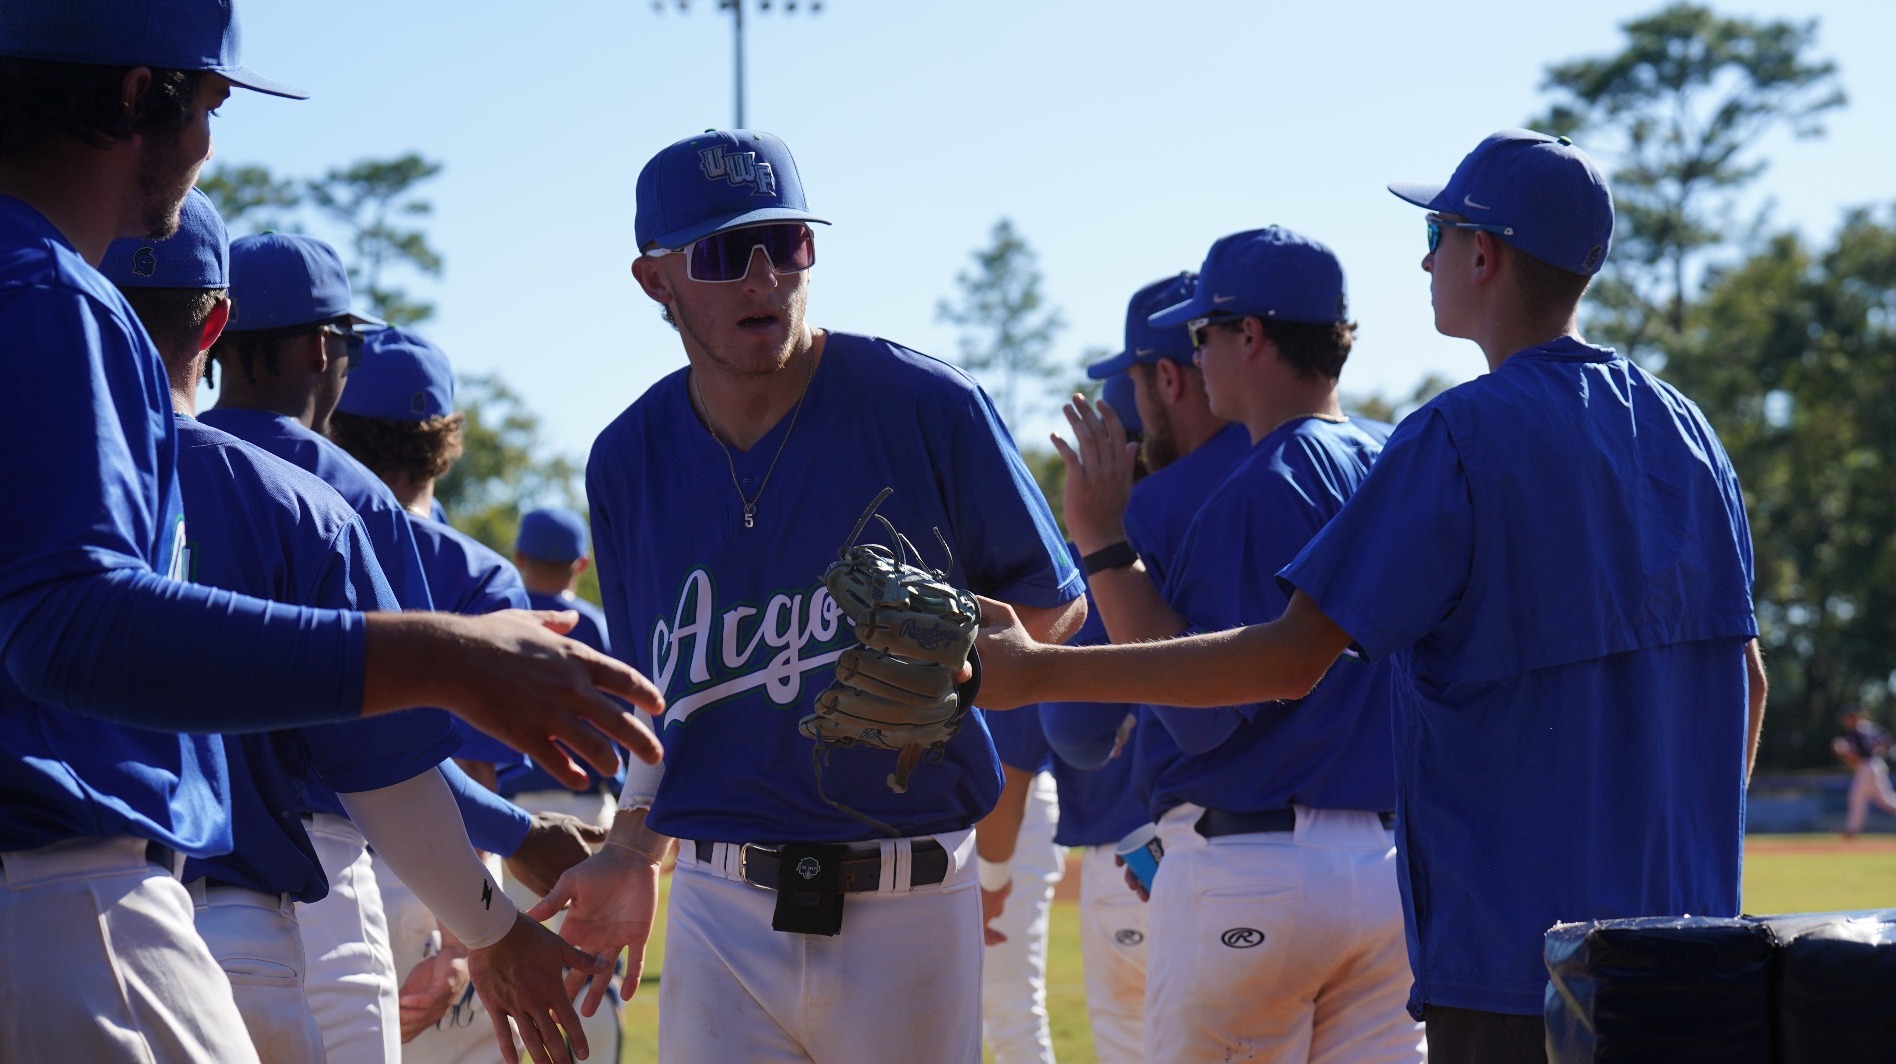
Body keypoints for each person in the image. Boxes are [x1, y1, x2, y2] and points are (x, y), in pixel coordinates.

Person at [976, 129, 1767, 1064]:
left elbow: (1283, 658)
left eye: (1438, 230)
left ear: (1486, 252)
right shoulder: (1687, 428)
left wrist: (1037, 671)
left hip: (1516, 948)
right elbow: (1747, 683)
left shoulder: (1459, 433)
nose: (1424, 257)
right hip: (1684, 943)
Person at [0, 6, 658, 1062]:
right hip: (70, 898)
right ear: (137, 94)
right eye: (209, 100)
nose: (211, 140)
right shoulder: (50, 296)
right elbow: (70, 623)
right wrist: (443, 654)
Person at [531, 128, 1086, 1064]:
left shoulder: (926, 405)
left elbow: (1051, 604)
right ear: (654, 279)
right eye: (721, 252)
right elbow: (664, 701)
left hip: (907, 895)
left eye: (784, 243)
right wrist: (632, 848)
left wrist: (965, 666)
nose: (761, 277)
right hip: (719, 905)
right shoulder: (627, 459)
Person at [102, 185, 607, 1064]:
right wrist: (506, 871)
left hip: (90, 903)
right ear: (313, 346)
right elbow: (387, 762)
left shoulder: (66, 479)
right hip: (300, 905)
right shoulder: (327, 500)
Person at [1057, 230, 1421, 1063]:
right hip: (1391, 866)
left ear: (1250, 336)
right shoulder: (1393, 458)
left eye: (1203, 333)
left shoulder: (1260, 483)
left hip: (1253, 863)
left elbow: (1202, 712)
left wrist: (1105, 543)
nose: (1198, 354)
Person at [327, 326, 618, 1064]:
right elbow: (479, 769)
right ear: (446, 440)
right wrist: (468, 931)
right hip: (435, 871)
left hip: (305, 866)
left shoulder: (297, 518)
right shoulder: (481, 573)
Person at [973, 716, 1064, 1064]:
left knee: (1007, 1007)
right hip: (940, 801)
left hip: (1007, 797)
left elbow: (1013, 743)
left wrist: (993, 882)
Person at [1833, 707, 1896, 838]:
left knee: (1858, 798)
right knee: (1884, 799)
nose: (1846, 721)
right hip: (1874, 765)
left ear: (1855, 717)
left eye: (1848, 717)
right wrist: (1880, 751)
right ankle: (1851, 829)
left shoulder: (1858, 731)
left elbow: (1857, 756)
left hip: (1867, 766)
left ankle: (1851, 829)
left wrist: (1843, 750)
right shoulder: (1870, 728)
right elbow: (1886, 740)